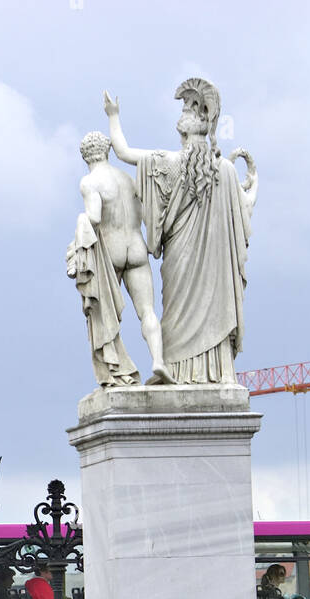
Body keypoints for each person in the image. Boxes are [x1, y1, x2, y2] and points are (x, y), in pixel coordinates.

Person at [104, 79, 258, 384]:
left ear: (198, 118)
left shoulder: (171, 162)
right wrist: (254, 180)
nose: (182, 112)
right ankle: (212, 372)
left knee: (177, 313)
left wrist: (113, 115)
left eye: (187, 107)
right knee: (191, 309)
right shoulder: (225, 172)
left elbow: (122, 152)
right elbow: (244, 211)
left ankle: (185, 372)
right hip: (194, 264)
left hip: (182, 260)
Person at [66, 131, 171, 387]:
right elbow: (146, 214)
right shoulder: (128, 179)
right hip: (136, 246)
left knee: (105, 314)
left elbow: (94, 217)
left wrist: (77, 235)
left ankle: (116, 371)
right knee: (147, 311)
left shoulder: (90, 182)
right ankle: (158, 360)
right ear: (107, 151)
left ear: (85, 156)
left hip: (111, 250)